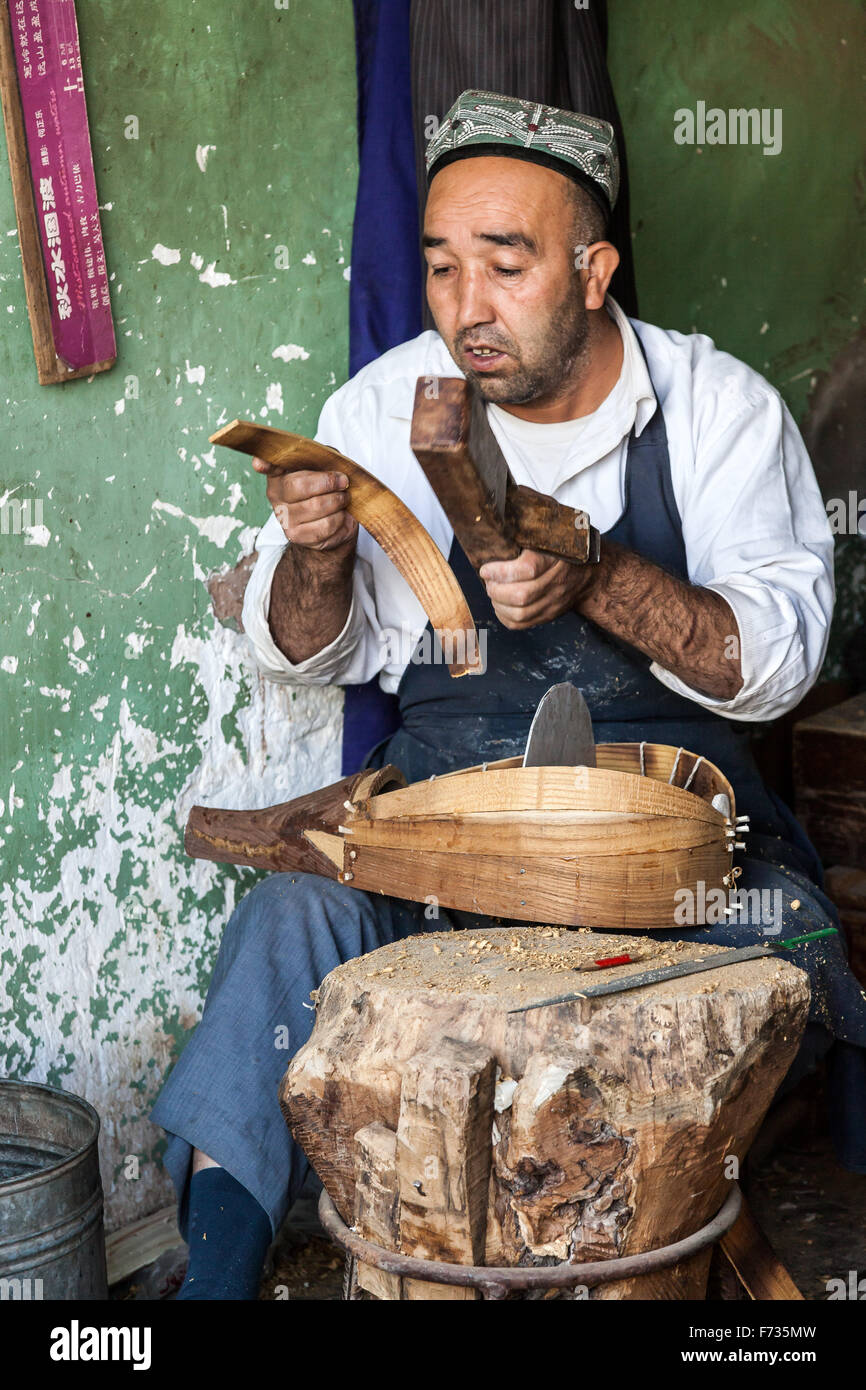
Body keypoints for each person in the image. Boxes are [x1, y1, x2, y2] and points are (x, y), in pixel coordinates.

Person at [153, 90, 866, 1300]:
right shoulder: (383, 408)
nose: (465, 310)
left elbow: (777, 664)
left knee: (787, 943)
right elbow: (316, 653)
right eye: (439, 267)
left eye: (506, 263)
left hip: (671, 847)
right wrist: (320, 557)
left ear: (592, 270)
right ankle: (208, 1285)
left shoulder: (714, 409)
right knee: (286, 929)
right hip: (443, 834)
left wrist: (595, 571)